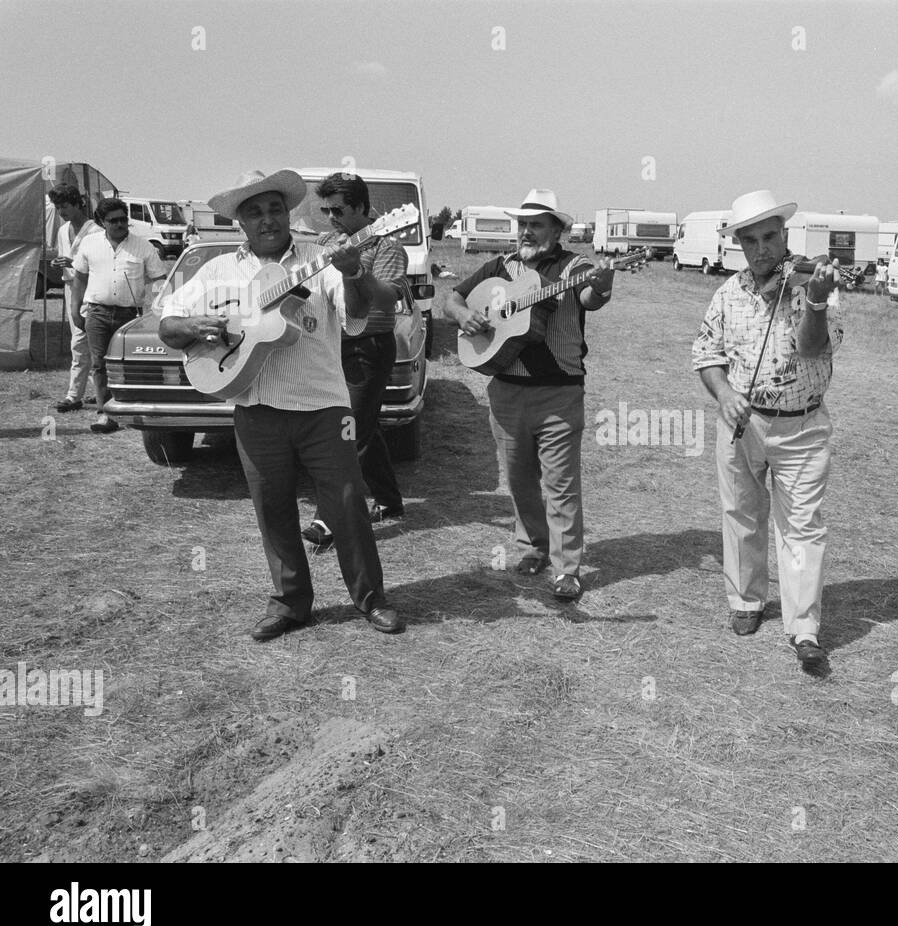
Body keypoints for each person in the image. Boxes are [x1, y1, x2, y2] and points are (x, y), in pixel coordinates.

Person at [158, 169, 404, 640]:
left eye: (275, 209)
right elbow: (169, 322)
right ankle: (291, 603)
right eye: (255, 212)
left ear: (288, 214)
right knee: (272, 509)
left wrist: (353, 271)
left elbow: (354, 316)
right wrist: (196, 327)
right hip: (256, 408)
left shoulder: (321, 258)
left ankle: (371, 599)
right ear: (240, 223)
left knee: (349, 505)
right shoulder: (217, 272)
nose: (268, 219)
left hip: (325, 409)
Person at [691, 190, 843, 673]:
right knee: (742, 514)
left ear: (785, 236)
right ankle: (746, 602)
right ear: (738, 243)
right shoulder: (726, 294)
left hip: (802, 425)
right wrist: (724, 394)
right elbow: (706, 355)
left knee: (802, 527)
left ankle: (803, 628)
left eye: (770, 237)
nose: (762, 249)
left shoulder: (813, 288)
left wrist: (815, 303)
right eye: (750, 240)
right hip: (741, 424)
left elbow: (815, 350)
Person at [443, 188, 615, 601]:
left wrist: (604, 282)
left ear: (556, 231)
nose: (526, 232)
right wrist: (464, 315)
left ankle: (567, 569)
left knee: (560, 486)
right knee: (519, 480)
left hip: (558, 394)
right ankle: (533, 547)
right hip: (505, 392)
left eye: (536, 225)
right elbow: (452, 297)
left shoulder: (575, 266)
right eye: (523, 224)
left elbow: (591, 298)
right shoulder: (499, 266)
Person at [300, 173, 409, 549]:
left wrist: (356, 271)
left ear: (363, 207)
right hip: (331, 346)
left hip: (369, 347)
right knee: (362, 429)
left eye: (339, 210)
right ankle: (390, 501)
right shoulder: (326, 242)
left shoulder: (388, 244)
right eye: (326, 210)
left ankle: (328, 518)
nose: (331, 218)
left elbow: (388, 296)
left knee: (347, 430)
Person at [70, 197, 169, 433]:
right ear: (102, 222)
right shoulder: (89, 244)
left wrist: (160, 309)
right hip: (97, 313)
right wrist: (75, 310)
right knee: (99, 364)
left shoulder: (143, 246)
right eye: (113, 220)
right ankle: (106, 414)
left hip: (130, 316)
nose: (119, 224)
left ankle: (134, 410)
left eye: (123, 219)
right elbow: (80, 278)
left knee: (132, 365)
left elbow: (159, 280)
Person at [48, 185, 102, 413]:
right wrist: (58, 263)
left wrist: (73, 264)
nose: (61, 212)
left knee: (84, 342)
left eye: (64, 206)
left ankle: (77, 395)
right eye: (58, 207)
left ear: (77, 204)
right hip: (72, 288)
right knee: (82, 341)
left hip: (91, 290)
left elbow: (100, 265)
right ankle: (87, 392)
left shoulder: (96, 232)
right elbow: (66, 257)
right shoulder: (62, 230)